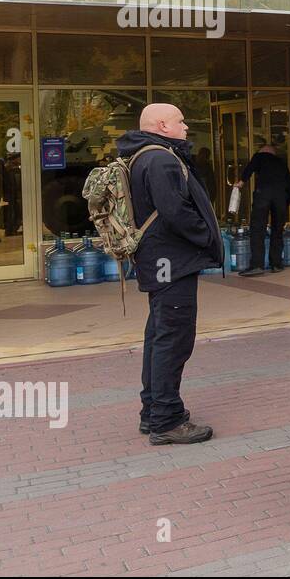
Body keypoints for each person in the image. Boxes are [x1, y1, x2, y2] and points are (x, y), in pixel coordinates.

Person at [116, 103, 224, 445]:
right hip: (170, 261)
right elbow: (175, 210)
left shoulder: (143, 155)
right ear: (162, 125)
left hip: (160, 259)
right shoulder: (160, 158)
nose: (186, 126)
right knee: (173, 339)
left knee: (160, 335)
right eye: (181, 120)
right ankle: (166, 419)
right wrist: (205, 235)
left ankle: (153, 411)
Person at [235, 141, 290, 277]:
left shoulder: (259, 156)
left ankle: (257, 265)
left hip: (263, 195)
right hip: (280, 198)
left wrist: (241, 182)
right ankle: (276, 263)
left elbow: (249, 169)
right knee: (277, 230)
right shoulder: (281, 163)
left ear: (263, 151)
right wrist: (285, 202)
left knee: (257, 229)